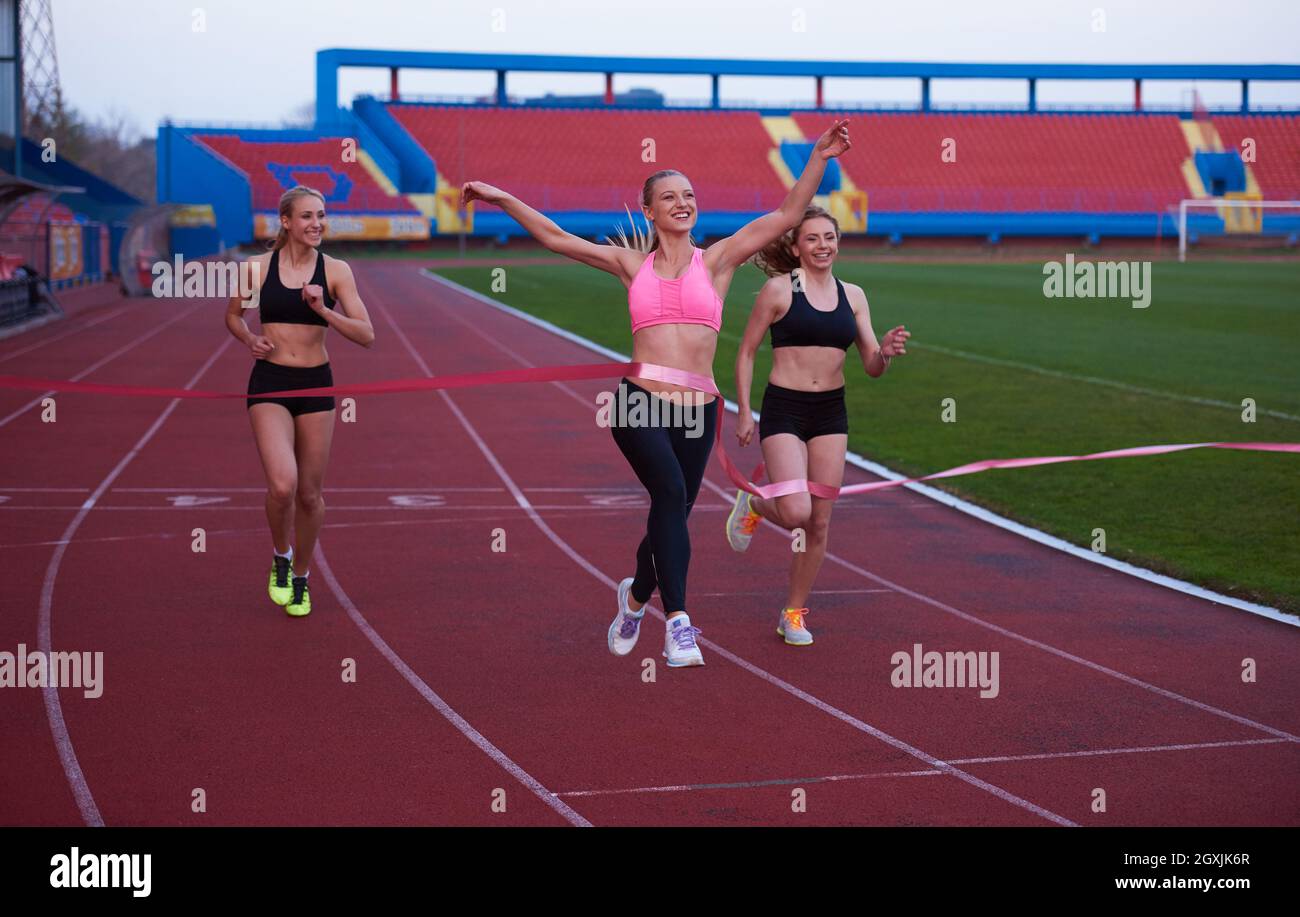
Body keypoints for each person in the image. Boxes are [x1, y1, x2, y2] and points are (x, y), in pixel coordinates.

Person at [460, 119, 851, 667]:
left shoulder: (718, 260)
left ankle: (636, 597)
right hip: (639, 402)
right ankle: (681, 623)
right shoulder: (630, 264)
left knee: (673, 514)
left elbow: (786, 216)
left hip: (699, 411)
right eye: (669, 197)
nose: (682, 203)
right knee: (669, 494)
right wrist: (501, 197)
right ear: (649, 210)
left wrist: (819, 159)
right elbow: (555, 238)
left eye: (689, 195)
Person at [726, 205, 909, 645]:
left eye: (829, 237)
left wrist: (883, 352)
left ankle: (792, 613)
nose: (822, 245)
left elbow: (870, 367)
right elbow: (747, 352)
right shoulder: (778, 291)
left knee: (820, 523)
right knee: (796, 512)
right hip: (784, 408)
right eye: (812, 238)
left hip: (830, 412)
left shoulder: (854, 296)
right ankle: (754, 506)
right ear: (796, 246)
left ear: (837, 243)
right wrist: (746, 410)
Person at [224, 185, 375, 617]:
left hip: (316, 385)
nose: (317, 224)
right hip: (270, 382)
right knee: (282, 485)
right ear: (286, 222)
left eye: (322, 215)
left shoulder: (336, 271)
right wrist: (250, 337)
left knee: (309, 495)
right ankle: (281, 556)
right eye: (307, 216)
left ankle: (303, 577)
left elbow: (367, 335)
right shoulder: (256, 269)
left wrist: (323, 310)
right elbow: (233, 315)